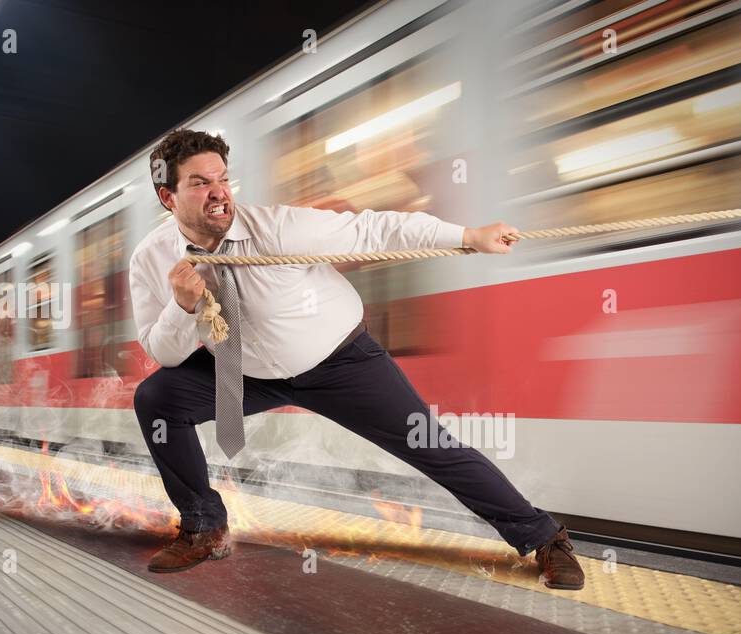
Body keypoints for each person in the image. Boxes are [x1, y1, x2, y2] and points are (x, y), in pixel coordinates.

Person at [129, 129, 583, 589]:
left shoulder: (282, 227)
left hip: (339, 361)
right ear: (168, 197)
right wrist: (182, 307)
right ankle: (204, 526)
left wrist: (469, 235)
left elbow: (376, 229)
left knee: (431, 444)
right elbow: (162, 351)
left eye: (223, 179)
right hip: (247, 371)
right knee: (156, 398)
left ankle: (543, 537)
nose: (219, 192)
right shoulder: (150, 259)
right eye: (200, 183)